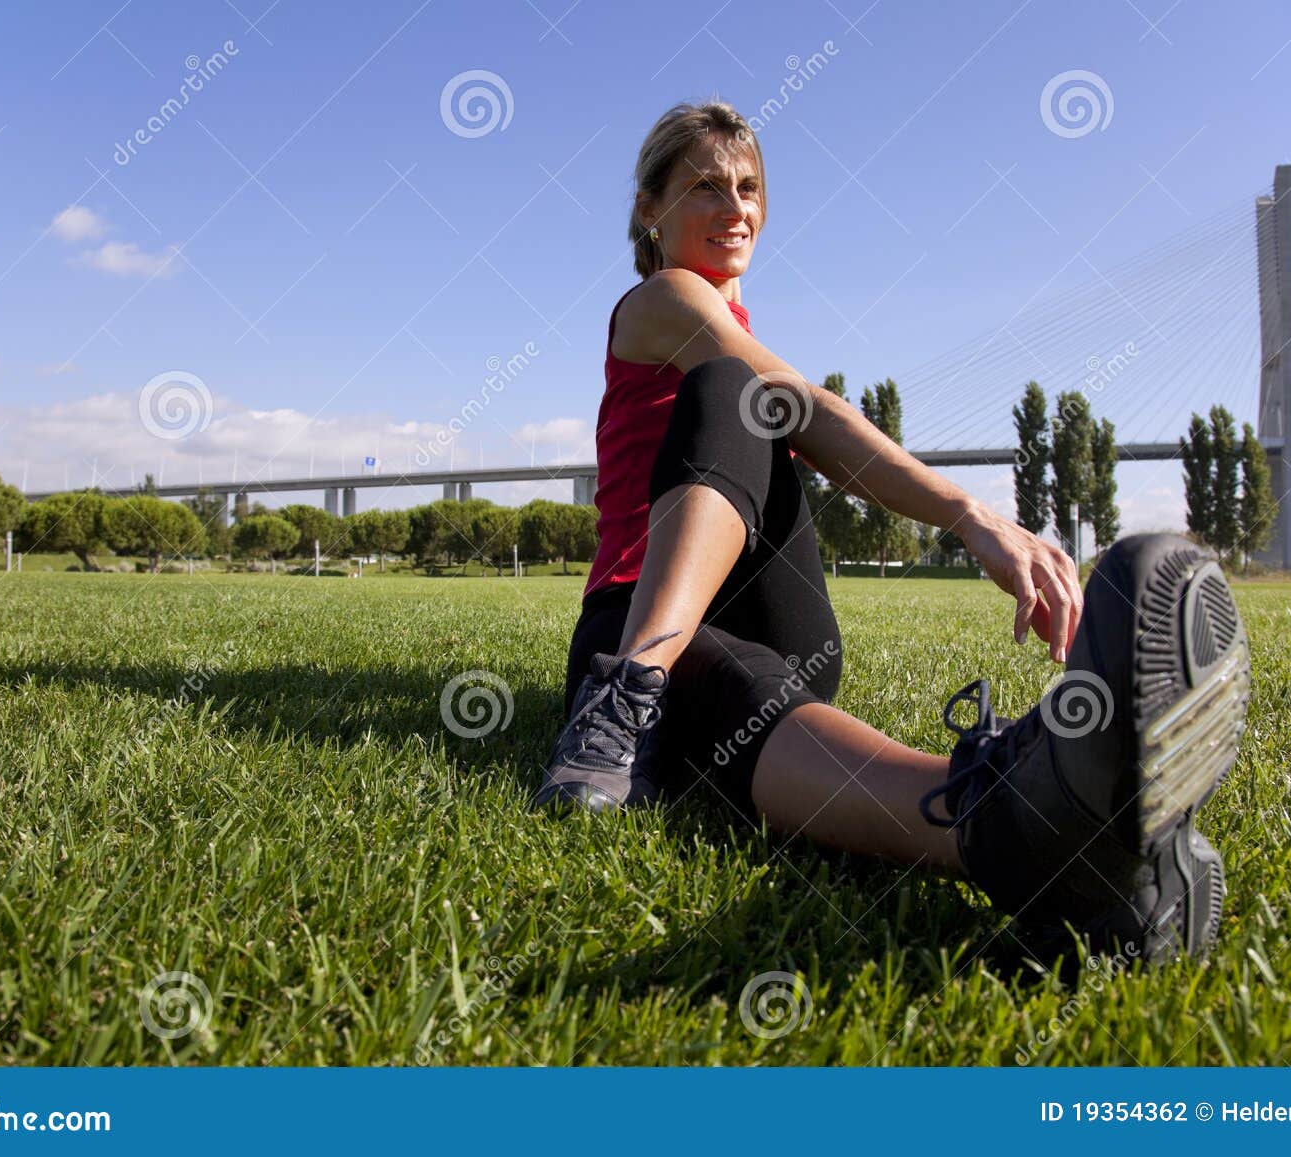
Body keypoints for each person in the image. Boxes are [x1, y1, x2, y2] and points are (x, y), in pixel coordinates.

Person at [531, 101, 1251, 964]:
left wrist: (965, 513)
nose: (737, 208)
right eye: (705, 188)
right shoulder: (659, 300)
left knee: (755, 405)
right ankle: (1033, 825)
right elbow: (811, 408)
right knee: (739, 396)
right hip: (635, 616)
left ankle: (1041, 819)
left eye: (751, 187)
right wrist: (968, 511)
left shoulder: (737, 334)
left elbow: (811, 423)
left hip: (773, 622)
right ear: (648, 210)